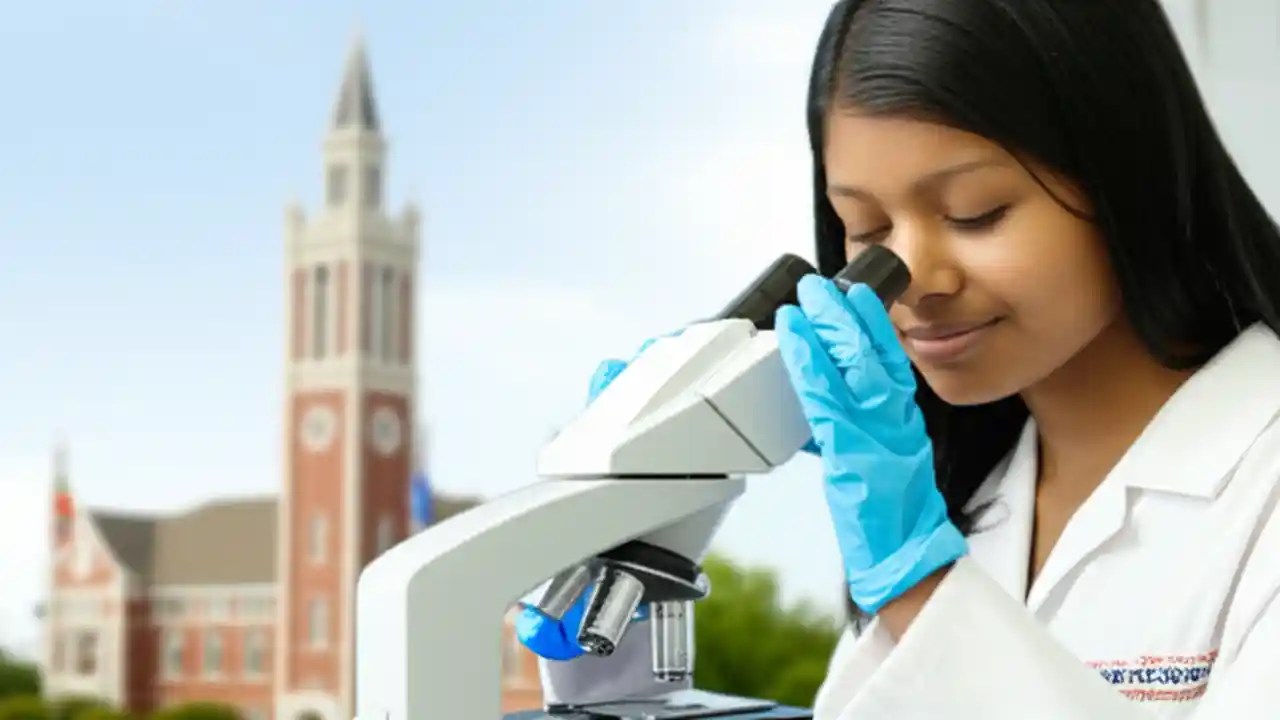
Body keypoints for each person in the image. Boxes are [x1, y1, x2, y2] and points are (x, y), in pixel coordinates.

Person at [515, 0, 1280, 717]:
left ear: (1128, 174)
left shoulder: (1260, 478)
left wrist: (921, 586)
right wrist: (655, 537)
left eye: (974, 214)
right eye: (866, 227)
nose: (918, 283)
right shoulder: (973, 490)